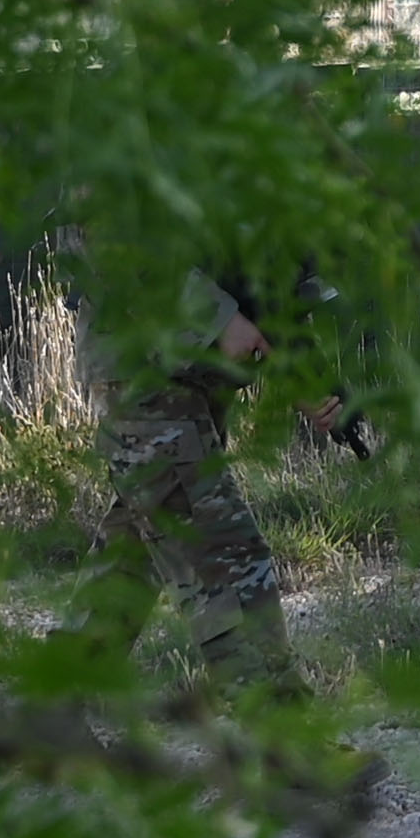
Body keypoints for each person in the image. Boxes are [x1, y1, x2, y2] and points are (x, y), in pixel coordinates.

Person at [99, 273, 295, 685]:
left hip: (189, 366)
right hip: (149, 360)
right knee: (223, 551)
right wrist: (219, 319)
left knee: (133, 554)